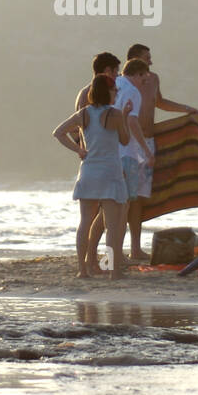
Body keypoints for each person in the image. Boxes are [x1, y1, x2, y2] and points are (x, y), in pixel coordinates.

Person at [52, 74, 130, 279]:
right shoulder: (115, 115)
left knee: (85, 222)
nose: (117, 93)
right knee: (112, 227)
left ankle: (83, 269)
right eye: (115, 90)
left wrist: (79, 150)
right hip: (110, 172)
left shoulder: (83, 114)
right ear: (109, 92)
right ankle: (113, 272)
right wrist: (125, 117)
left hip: (89, 172)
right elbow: (124, 139)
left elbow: (58, 132)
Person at [125, 46, 198, 258]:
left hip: (148, 140)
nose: (151, 62)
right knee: (124, 198)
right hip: (128, 142)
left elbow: (160, 103)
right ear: (135, 60)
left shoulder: (154, 78)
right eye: (147, 58)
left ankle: (135, 248)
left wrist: (187, 109)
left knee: (139, 197)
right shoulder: (123, 83)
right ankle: (115, 249)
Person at [86, 59, 154, 262]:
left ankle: (92, 256)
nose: (145, 82)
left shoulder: (115, 86)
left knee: (105, 210)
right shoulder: (133, 91)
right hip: (127, 156)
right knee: (122, 209)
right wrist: (146, 152)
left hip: (108, 155)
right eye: (144, 77)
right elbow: (132, 122)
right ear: (137, 74)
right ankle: (115, 256)